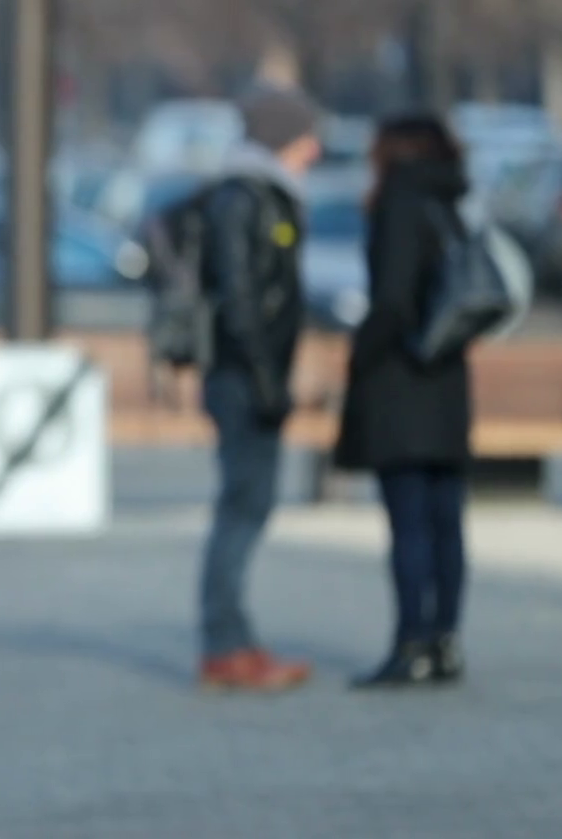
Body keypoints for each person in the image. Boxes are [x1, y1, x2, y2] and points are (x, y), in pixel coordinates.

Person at [333, 115, 475, 689]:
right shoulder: (450, 203)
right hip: (447, 379)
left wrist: (359, 356)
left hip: (403, 381)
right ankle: (445, 640)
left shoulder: (399, 203)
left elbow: (392, 301)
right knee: (446, 522)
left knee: (410, 523)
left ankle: (412, 641)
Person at [196, 85, 322, 692]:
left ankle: (235, 639)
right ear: (280, 140)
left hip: (253, 373)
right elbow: (241, 299)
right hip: (243, 376)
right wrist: (267, 378)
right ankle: (225, 646)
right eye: (306, 137)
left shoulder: (267, 195)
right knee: (242, 506)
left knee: (250, 504)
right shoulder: (244, 198)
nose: (315, 150)